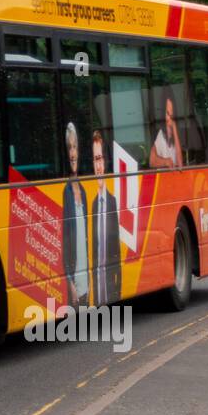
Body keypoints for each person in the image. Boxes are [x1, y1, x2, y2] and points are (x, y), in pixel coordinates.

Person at [90, 129, 121, 305]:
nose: (98, 166)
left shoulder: (112, 202)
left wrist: (118, 290)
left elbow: (117, 251)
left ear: (105, 162)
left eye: (100, 159)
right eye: (95, 160)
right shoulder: (93, 204)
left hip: (111, 285)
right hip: (98, 288)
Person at [60, 122, 90, 306]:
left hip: (86, 282)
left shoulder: (84, 192)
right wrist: (70, 282)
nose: (72, 154)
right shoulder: (66, 192)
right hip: (75, 285)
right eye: (69, 148)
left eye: (75, 147)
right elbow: (66, 241)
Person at [149, 89, 183, 169]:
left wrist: (174, 128)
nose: (169, 119)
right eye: (167, 113)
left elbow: (180, 165)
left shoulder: (178, 132)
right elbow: (151, 161)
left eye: (172, 115)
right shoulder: (161, 134)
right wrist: (165, 162)